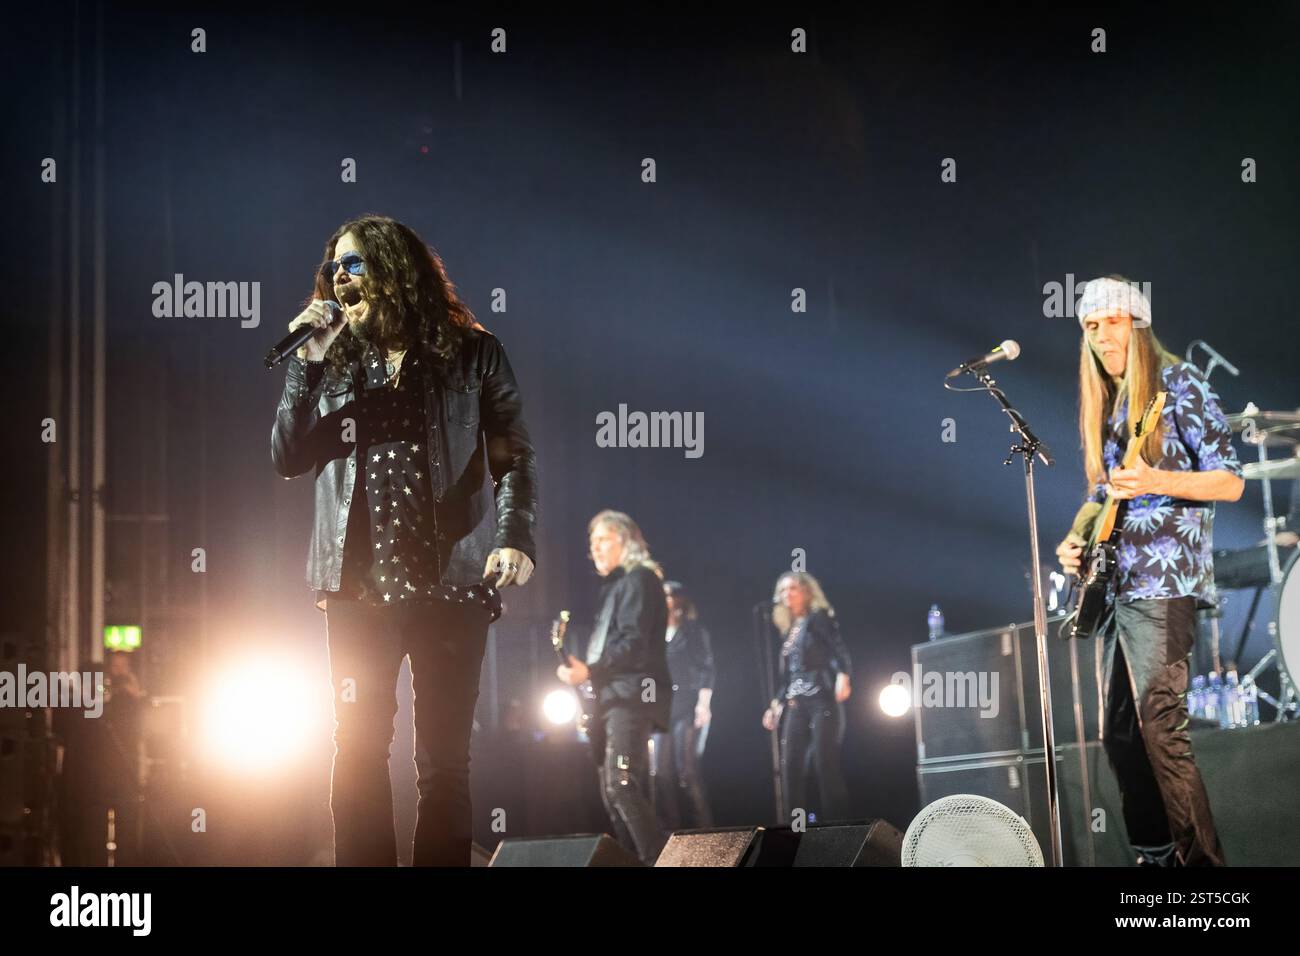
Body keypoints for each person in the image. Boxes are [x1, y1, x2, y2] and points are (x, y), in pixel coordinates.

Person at [271, 215, 538, 866]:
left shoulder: (472, 353)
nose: (340, 276)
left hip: (450, 582)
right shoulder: (332, 362)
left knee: (443, 760)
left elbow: (514, 455)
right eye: (334, 266)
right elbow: (285, 457)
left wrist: (514, 536)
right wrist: (304, 364)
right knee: (358, 746)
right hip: (357, 589)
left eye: (355, 264)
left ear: (394, 272)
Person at [1055, 276, 1243, 867]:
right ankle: (1156, 859)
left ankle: (1207, 880)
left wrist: (1159, 479)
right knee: (1119, 736)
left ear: (1137, 324)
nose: (1102, 334)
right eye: (1090, 325)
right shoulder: (1107, 403)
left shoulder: (1180, 382)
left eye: (1112, 321)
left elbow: (1231, 479)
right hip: (1117, 585)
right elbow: (1102, 494)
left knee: (1162, 732)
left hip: (1165, 583)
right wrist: (1075, 536)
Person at [556, 510, 671, 863]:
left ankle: (660, 859)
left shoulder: (639, 580)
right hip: (613, 699)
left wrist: (587, 671)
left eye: (603, 540)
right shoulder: (618, 586)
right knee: (612, 793)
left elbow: (634, 643)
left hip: (632, 697)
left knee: (622, 785)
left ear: (627, 541)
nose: (596, 549)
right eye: (592, 544)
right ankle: (633, 860)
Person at [760, 571, 852, 824]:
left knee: (824, 764)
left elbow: (837, 648)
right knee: (790, 765)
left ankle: (839, 827)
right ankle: (793, 828)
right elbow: (789, 675)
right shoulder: (788, 629)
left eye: (792, 589)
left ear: (807, 592)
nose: (786, 595)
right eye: (782, 591)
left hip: (821, 699)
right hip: (795, 704)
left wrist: (844, 674)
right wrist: (775, 704)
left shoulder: (818, 618)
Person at [651, 580, 715, 831]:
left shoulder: (693, 630)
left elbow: (707, 668)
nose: (666, 600)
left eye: (669, 595)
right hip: (663, 708)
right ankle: (671, 830)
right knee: (660, 772)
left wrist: (704, 704)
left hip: (688, 704)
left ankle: (703, 828)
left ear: (680, 600)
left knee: (686, 771)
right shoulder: (654, 633)